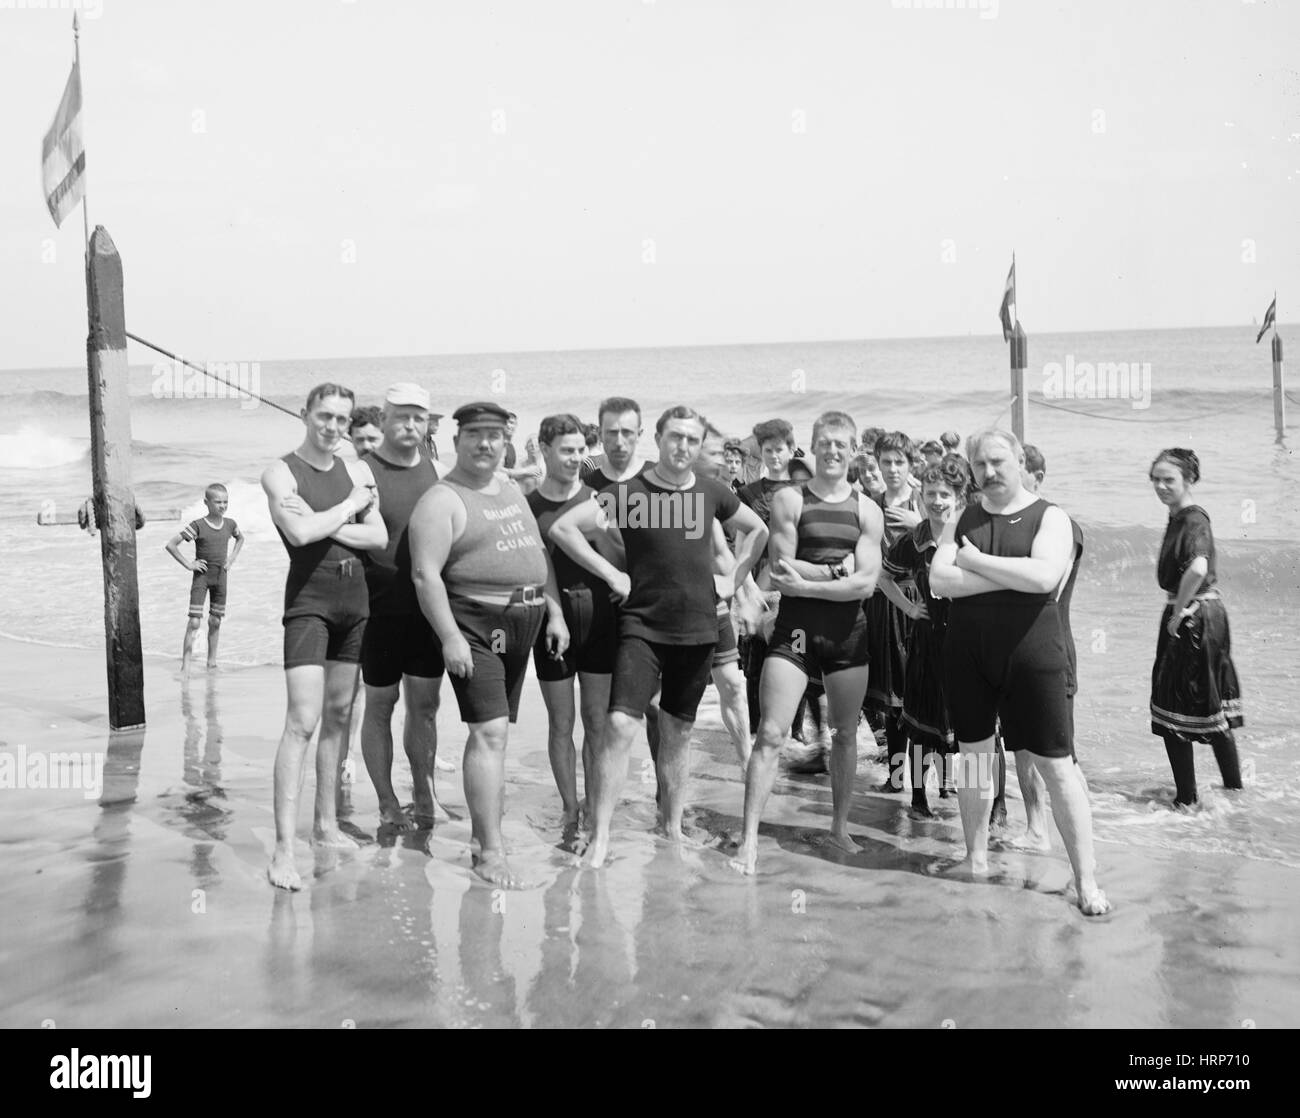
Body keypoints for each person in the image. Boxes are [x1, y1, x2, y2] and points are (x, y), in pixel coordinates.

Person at [550, 406, 767, 868]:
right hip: (643, 627)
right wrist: (612, 573)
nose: (683, 447)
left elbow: (757, 530)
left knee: (677, 733)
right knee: (621, 725)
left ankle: (671, 827)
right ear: (660, 440)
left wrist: (735, 580)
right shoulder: (629, 493)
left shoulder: (710, 493)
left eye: (692, 439)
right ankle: (602, 835)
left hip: (698, 629)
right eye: (675, 438)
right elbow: (564, 528)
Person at [929, 429, 1109, 915]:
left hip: (1033, 655)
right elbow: (940, 581)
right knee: (973, 757)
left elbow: (1044, 578)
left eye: (997, 461)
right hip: (968, 655)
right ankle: (976, 857)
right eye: (980, 465)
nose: (989, 472)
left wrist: (977, 563)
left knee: (1055, 764)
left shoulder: (1049, 516)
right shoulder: (963, 517)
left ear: (1018, 459)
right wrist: (1007, 574)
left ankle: (1085, 880)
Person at [408, 401, 568, 888]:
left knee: (499, 734)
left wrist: (555, 612)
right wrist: (451, 637)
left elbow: (538, 554)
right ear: (456, 441)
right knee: (489, 733)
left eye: (495, 436)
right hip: (477, 623)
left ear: (506, 442)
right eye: (475, 434)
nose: (485, 444)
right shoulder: (442, 500)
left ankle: (483, 836)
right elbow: (424, 575)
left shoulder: (511, 489)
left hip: (527, 620)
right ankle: (490, 854)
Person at [730, 411, 883, 874]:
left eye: (841, 444)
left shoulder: (867, 510)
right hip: (793, 632)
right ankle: (749, 840)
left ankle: (838, 828)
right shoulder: (790, 500)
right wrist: (840, 571)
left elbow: (867, 585)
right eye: (825, 443)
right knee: (772, 734)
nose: (833, 451)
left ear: (853, 450)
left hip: (847, 635)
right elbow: (781, 572)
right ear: (811, 448)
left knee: (843, 735)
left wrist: (817, 579)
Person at [261, 384, 388, 890]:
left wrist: (325, 521)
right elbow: (298, 536)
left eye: (342, 419)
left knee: (339, 717)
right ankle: (282, 851)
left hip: (355, 604)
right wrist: (348, 509)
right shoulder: (280, 472)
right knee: (302, 721)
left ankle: (326, 825)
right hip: (309, 606)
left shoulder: (358, 470)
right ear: (304, 414)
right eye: (324, 417)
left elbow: (377, 537)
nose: (333, 427)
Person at [359, 384, 446, 832]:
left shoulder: (438, 471)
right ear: (385, 418)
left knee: (425, 707)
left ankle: (424, 793)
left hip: (427, 611)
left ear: (428, 422)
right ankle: (386, 801)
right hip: (377, 611)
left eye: (418, 418)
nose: (410, 426)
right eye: (401, 417)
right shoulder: (362, 471)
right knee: (381, 704)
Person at [527, 413, 618, 834]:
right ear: (544, 450)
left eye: (581, 450)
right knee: (561, 722)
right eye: (566, 450)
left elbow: (619, 551)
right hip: (552, 623)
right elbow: (534, 567)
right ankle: (568, 806)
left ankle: (596, 803)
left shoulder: (600, 498)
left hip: (601, 617)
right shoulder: (529, 505)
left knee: (597, 721)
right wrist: (556, 616)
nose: (575, 458)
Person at [1149, 448, 1244, 807]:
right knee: (1210, 705)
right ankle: (1235, 794)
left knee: (1173, 707)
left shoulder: (1192, 519)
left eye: (1168, 479)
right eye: (1155, 479)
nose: (1160, 486)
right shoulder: (1181, 517)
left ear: (1189, 480)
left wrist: (1176, 614)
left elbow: (1199, 568)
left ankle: (1186, 801)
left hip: (1193, 616)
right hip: (1206, 614)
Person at [875, 456, 969, 815]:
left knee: (973, 726)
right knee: (922, 723)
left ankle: (984, 802)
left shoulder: (967, 536)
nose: (937, 500)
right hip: (927, 640)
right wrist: (911, 608)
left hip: (965, 639)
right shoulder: (912, 540)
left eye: (944, 493)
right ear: (922, 495)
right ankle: (918, 798)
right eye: (931, 493)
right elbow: (884, 579)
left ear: (958, 497)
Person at [866, 432, 923, 791]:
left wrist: (919, 525)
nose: (891, 469)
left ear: (910, 465)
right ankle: (896, 778)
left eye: (899, 462)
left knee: (919, 697)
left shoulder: (922, 502)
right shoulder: (870, 503)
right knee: (889, 699)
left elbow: (950, 544)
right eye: (885, 462)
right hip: (879, 605)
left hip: (916, 603)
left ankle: (934, 786)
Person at [165, 483, 243, 674]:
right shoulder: (198, 525)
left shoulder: (230, 524)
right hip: (202, 578)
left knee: (215, 620)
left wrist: (231, 559)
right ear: (206, 503)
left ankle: (212, 663)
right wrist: (188, 564)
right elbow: (171, 545)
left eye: (225, 502)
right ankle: (185, 666)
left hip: (221, 578)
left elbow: (240, 539)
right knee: (194, 622)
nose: (222, 506)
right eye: (218, 502)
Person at [581, 397, 647, 489]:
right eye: (612, 433)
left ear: (638, 435)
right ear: (600, 435)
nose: (619, 442)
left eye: (627, 432)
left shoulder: (659, 481)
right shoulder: (585, 487)